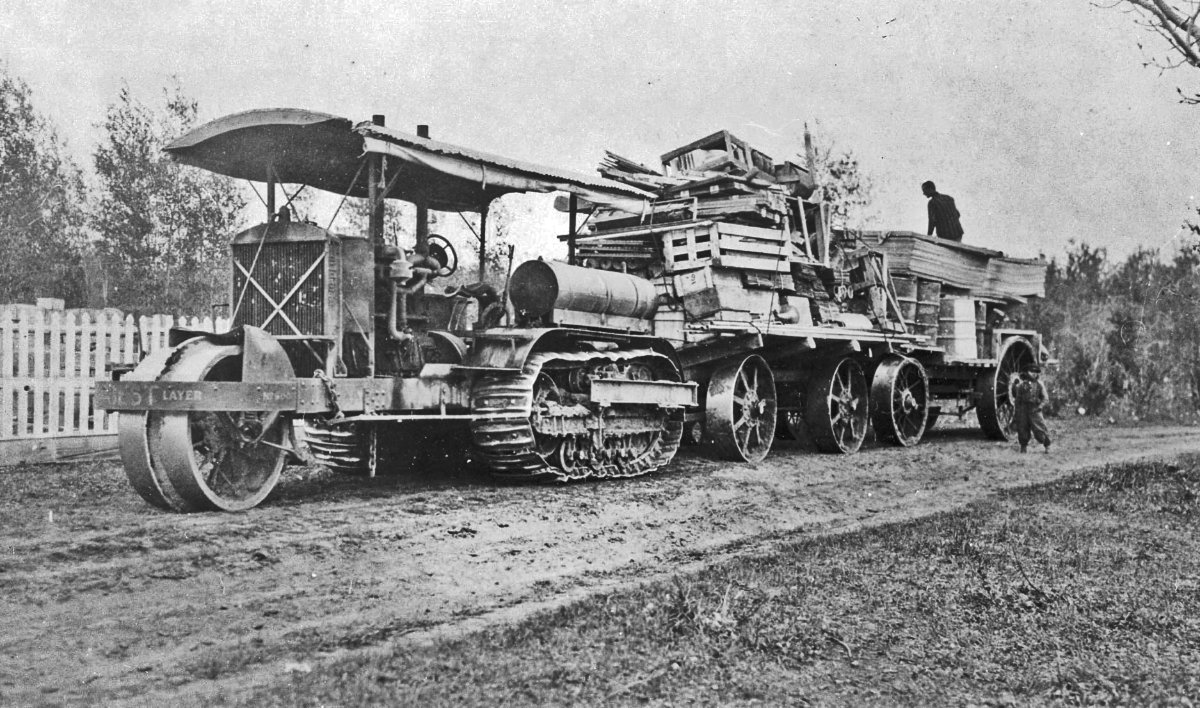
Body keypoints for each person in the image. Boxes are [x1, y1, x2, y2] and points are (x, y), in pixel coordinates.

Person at [1009, 363, 1051, 453]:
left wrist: (1039, 407)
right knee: (1022, 429)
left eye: (1036, 372)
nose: (1034, 374)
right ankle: (1023, 447)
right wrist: (1017, 412)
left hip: (1035, 409)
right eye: (1032, 371)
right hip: (1023, 409)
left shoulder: (1040, 384)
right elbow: (1018, 400)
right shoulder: (1022, 385)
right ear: (1027, 372)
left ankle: (1047, 445)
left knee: (1040, 429)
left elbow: (1045, 398)